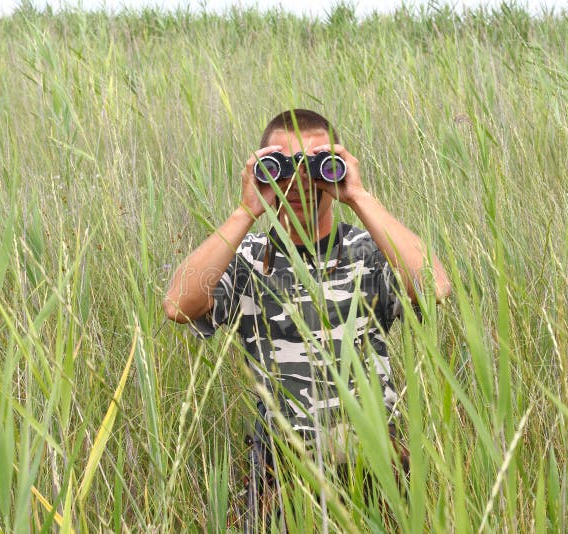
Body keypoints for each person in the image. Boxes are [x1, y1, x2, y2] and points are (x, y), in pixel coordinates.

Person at [163, 109, 451, 526]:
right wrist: (246, 211)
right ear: (262, 169)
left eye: (317, 165)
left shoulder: (371, 252)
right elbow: (177, 304)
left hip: (372, 460)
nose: (299, 182)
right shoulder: (248, 260)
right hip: (281, 470)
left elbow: (435, 286)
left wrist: (358, 196)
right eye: (281, 165)